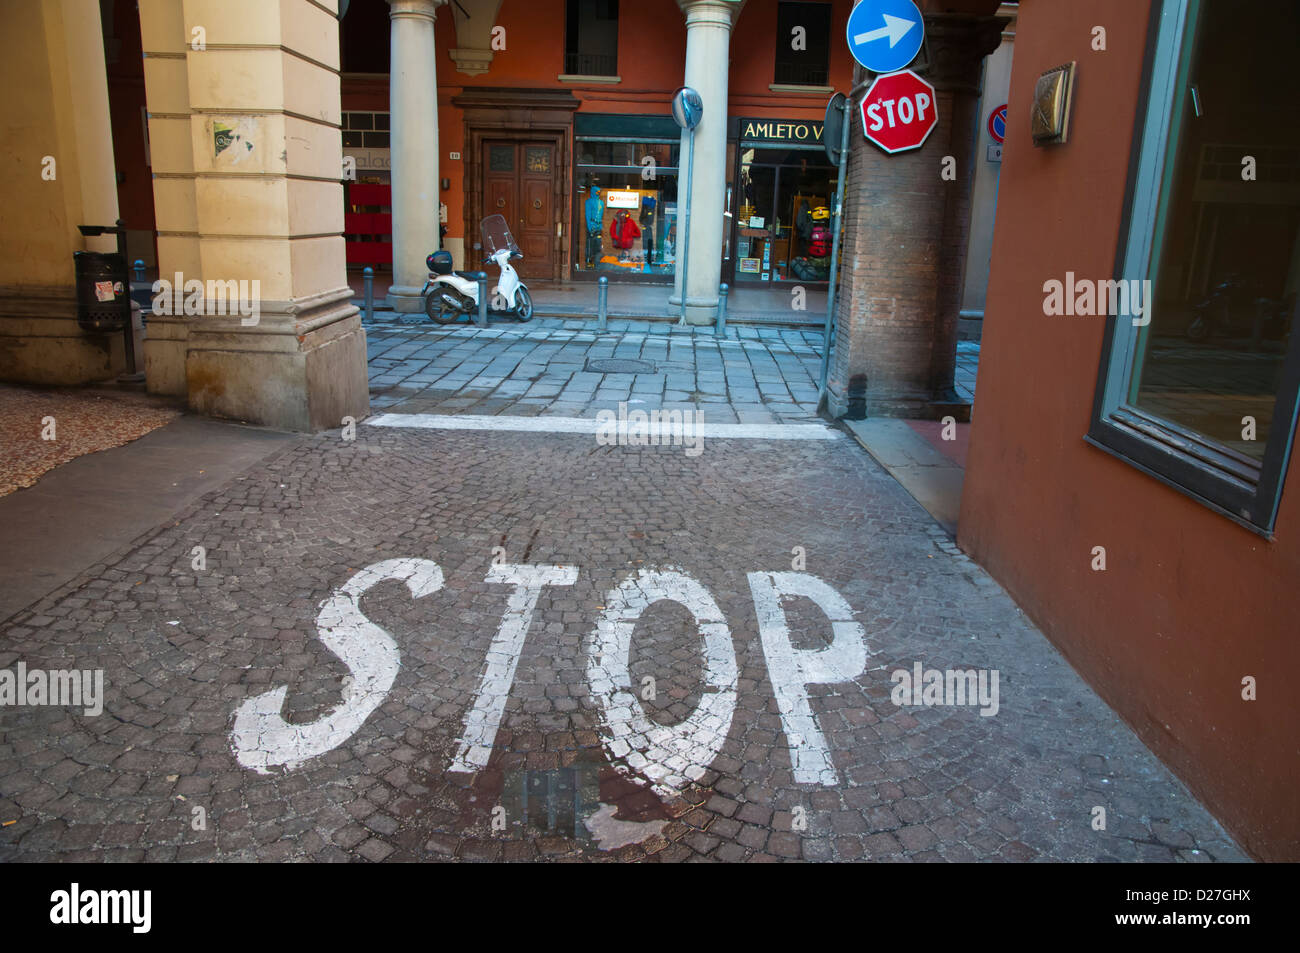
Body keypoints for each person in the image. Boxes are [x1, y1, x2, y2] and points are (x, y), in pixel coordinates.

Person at [584, 187, 604, 267]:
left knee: (598, 245)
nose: (598, 193)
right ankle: (589, 261)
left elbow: (601, 215)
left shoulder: (601, 202)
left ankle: (597, 261)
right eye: (597, 192)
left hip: (598, 225)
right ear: (593, 192)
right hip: (592, 225)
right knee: (590, 244)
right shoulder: (588, 202)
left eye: (599, 192)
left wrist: (601, 225)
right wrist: (589, 227)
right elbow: (587, 215)